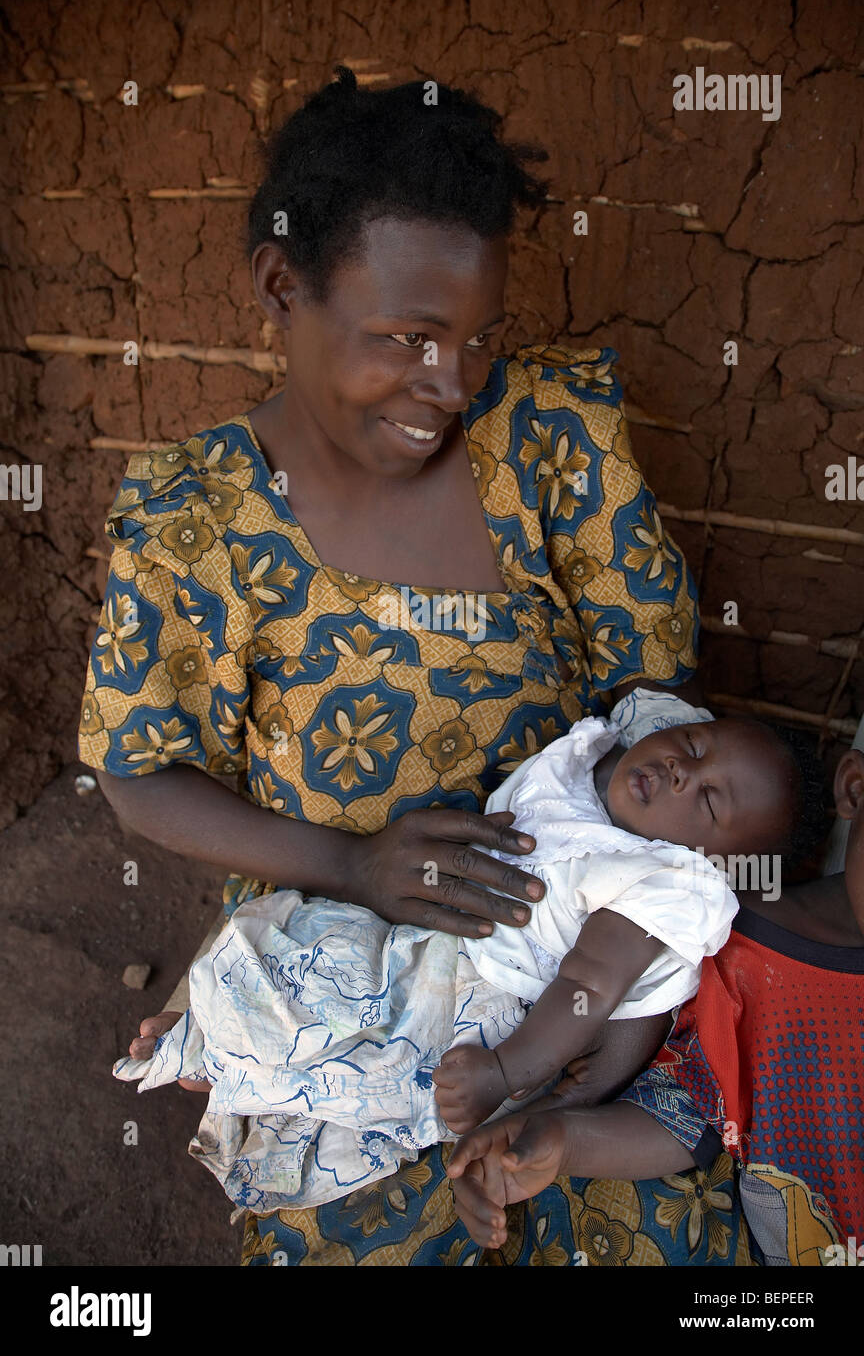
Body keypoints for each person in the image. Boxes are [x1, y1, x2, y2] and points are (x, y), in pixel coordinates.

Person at [81, 67, 711, 1265]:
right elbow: (135, 767)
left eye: (477, 339)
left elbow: (661, 705)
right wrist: (352, 864)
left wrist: (594, 991)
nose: (450, 384)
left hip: (585, 967)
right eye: (406, 338)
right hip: (346, 985)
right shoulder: (194, 518)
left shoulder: (551, 439)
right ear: (282, 285)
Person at [115, 695, 821, 1218]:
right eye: (693, 746)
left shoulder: (659, 886)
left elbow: (591, 986)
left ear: (705, 861)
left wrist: (510, 1073)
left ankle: (229, 1066)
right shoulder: (592, 765)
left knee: (370, 1070)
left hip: (487, 1008)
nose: (678, 773)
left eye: (705, 803)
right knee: (304, 951)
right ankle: (222, 1040)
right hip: (426, 940)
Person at [446, 749, 862, 1266]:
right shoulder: (726, 942)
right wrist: (558, 1141)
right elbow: (689, 1114)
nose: (682, 772)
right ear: (855, 788)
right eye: (690, 746)